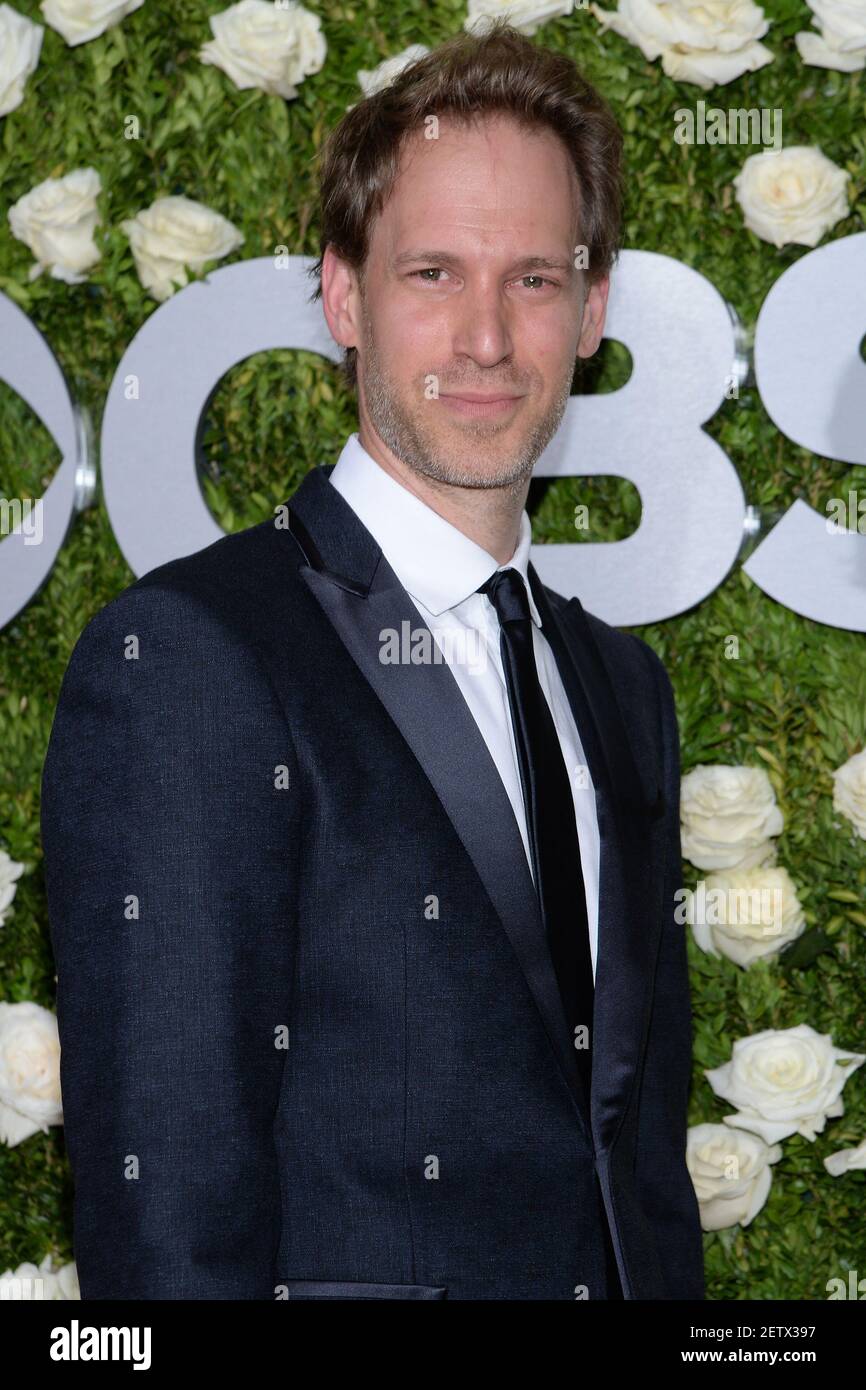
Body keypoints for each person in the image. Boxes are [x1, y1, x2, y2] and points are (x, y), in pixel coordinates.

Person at [41, 22, 705, 1300]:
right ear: (344, 296)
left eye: (530, 279)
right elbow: (167, 1189)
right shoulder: (194, 654)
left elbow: (628, 1159)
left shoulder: (622, 689)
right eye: (432, 274)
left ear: (591, 309)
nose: (484, 340)